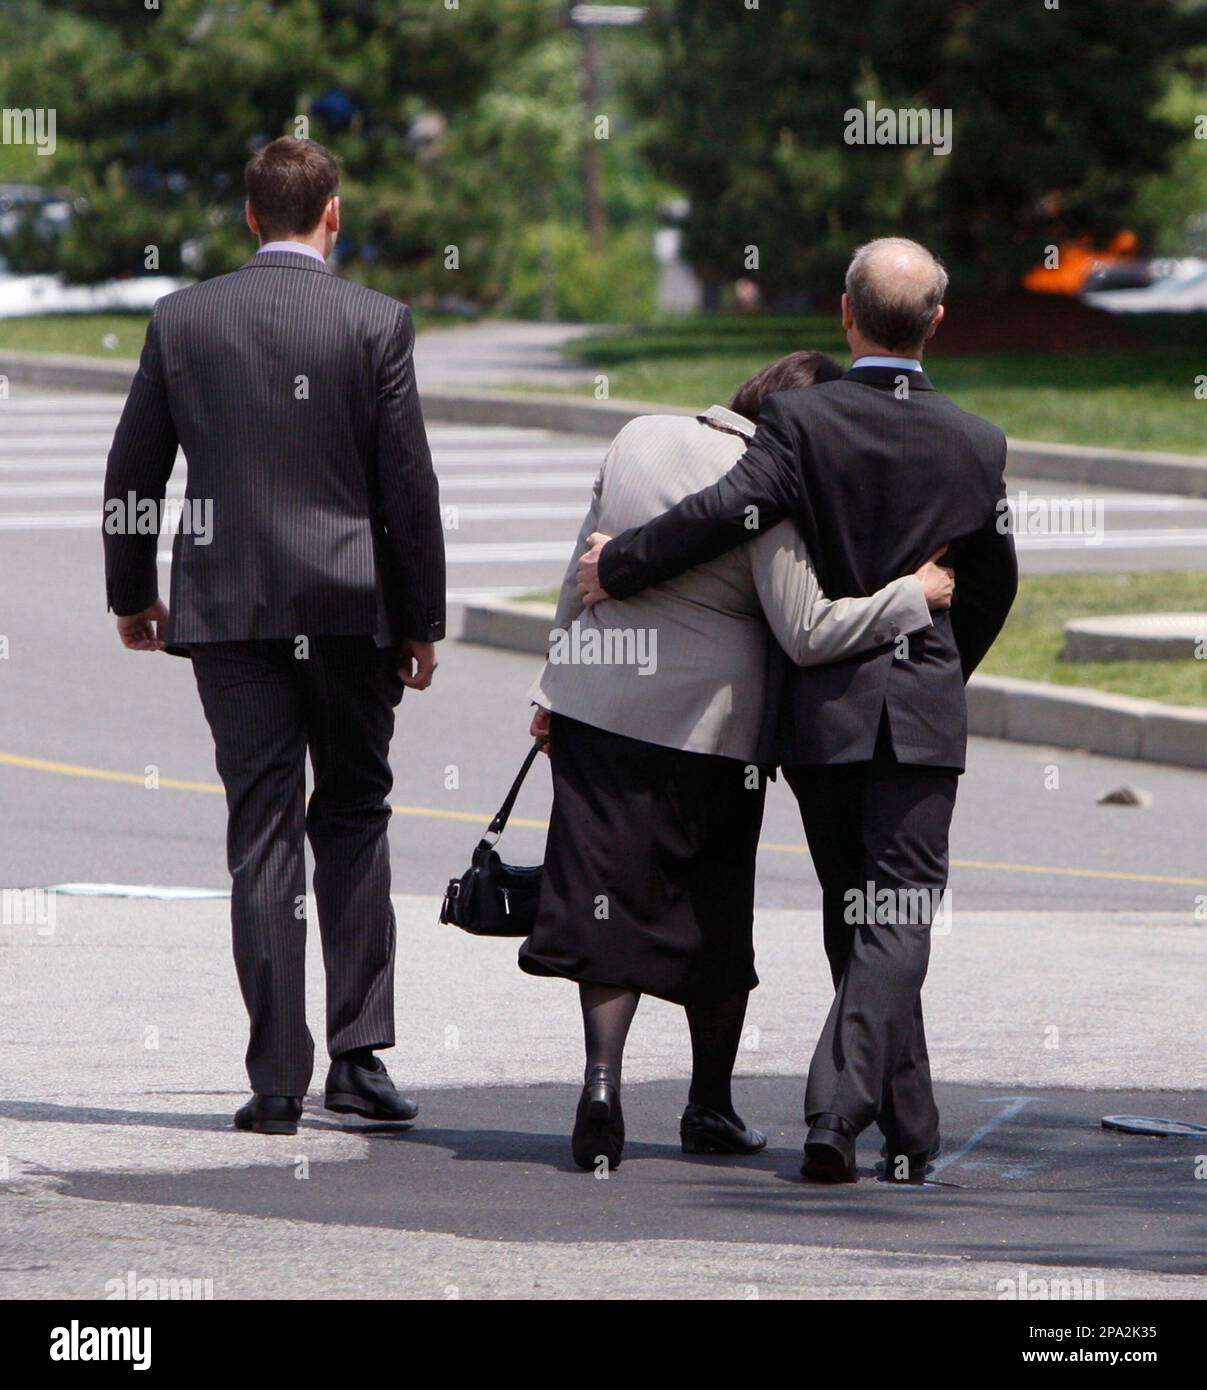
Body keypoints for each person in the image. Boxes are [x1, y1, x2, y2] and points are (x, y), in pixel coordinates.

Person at [577, 238, 1018, 1183]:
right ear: (936, 322)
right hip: (916, 718)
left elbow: (723, 513)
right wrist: (938, 670)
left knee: (852, 916)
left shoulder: (800, 422)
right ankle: (835, 1106)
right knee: (893, 917)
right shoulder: (978, 443)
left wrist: (618, 564)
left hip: (823, 714)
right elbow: (991, 586)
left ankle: (909, 1128)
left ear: (846, 316)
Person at [521, 349, 955, 1172]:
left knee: (607, 900)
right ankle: (708, 1105)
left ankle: (602, 1082)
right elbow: (807, 630)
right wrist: (912, 598)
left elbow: (579, 573)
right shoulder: (772, 488)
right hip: (708, 730)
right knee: (707, 917)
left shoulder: (638, 434)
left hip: (593, 706)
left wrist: (551, 678)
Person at [102, 137, 445, 1137]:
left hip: (231, 612)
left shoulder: (183, 318)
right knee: (353, 812)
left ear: (250, 216)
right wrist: (420, 618)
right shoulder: (377, 322)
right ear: (331, 214)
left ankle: (275, 1082)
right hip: (348, 608)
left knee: (260, 833)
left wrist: (132, 592)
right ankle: (360, 1054)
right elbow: (406, 489)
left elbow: (134, 475)